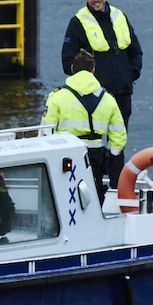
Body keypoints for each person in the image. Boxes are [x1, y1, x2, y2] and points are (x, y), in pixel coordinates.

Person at [43, 48, 128, 200]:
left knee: (64, 196)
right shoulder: (108, 99)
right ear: (93, 70)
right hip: (96, 157)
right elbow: (119, 136)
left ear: (72, 69)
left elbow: (44, 133)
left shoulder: (57, 97)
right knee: (95, 195)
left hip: (65, 154)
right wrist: (109, 156)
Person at [60, 0, 143, 124]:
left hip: (123, 91)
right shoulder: (77, 22)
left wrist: (131, 74)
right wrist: (86, 84)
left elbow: (136, 51)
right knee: (96, 136)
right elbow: (67, 62)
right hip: (94, 94)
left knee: (120, 137)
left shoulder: (120, 16)